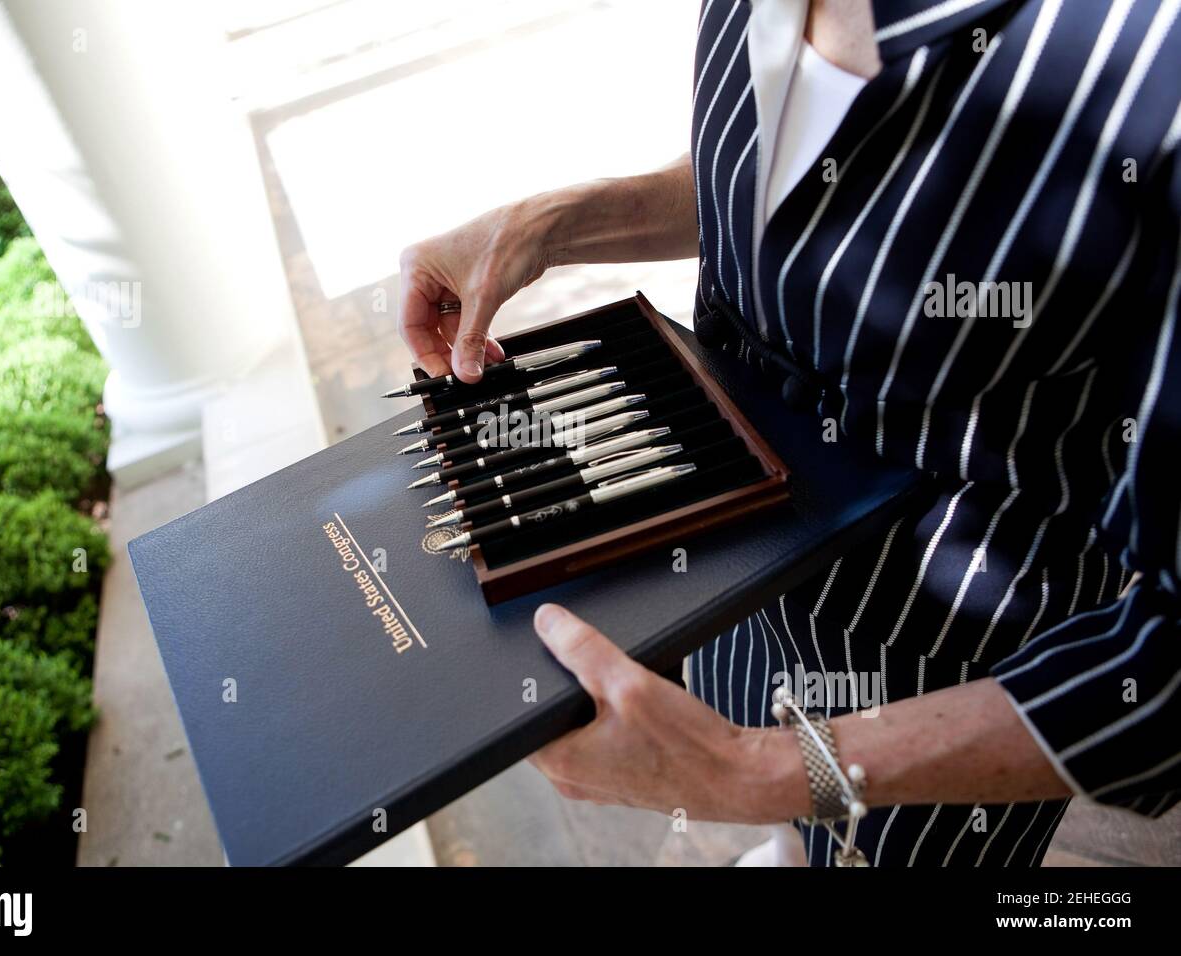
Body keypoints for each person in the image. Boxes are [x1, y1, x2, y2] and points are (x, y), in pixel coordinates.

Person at [396, 0, 1181, 866]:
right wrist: (551, 227)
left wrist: (754, 770)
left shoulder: (1154, 68)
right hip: (733, 566)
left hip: (934, 679)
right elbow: (803, 190)